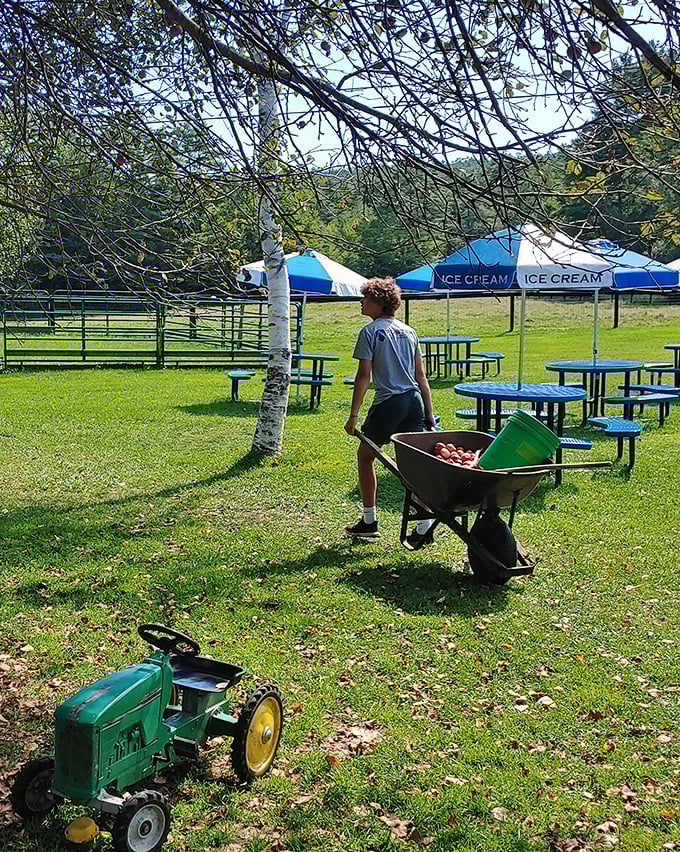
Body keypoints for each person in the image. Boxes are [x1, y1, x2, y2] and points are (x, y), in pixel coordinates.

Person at [344, 277, 436, 545]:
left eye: (365, 298)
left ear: (379, 302)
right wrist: (429, 414)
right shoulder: (410, 331)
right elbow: (421, 377)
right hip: (414, 402)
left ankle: (369, 520)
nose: (361, 302)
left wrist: (353, 417)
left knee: (366, 456)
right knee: (413, 466)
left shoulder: (369, 332)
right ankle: (423, 526)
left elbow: (363, 377)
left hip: (390, 403)